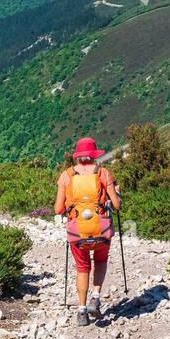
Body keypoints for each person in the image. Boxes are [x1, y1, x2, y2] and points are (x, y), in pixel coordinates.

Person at [55, 137, 121, 326]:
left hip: (77, 233)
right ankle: (96, 297)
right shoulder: (103, 173)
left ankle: (82, 311)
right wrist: (117, 193)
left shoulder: (66, 176)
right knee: (100, 260)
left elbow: (58, 209)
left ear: (77, 156)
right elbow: (116, 205)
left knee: (83, 268)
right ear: (94, 155)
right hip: (101, 229)